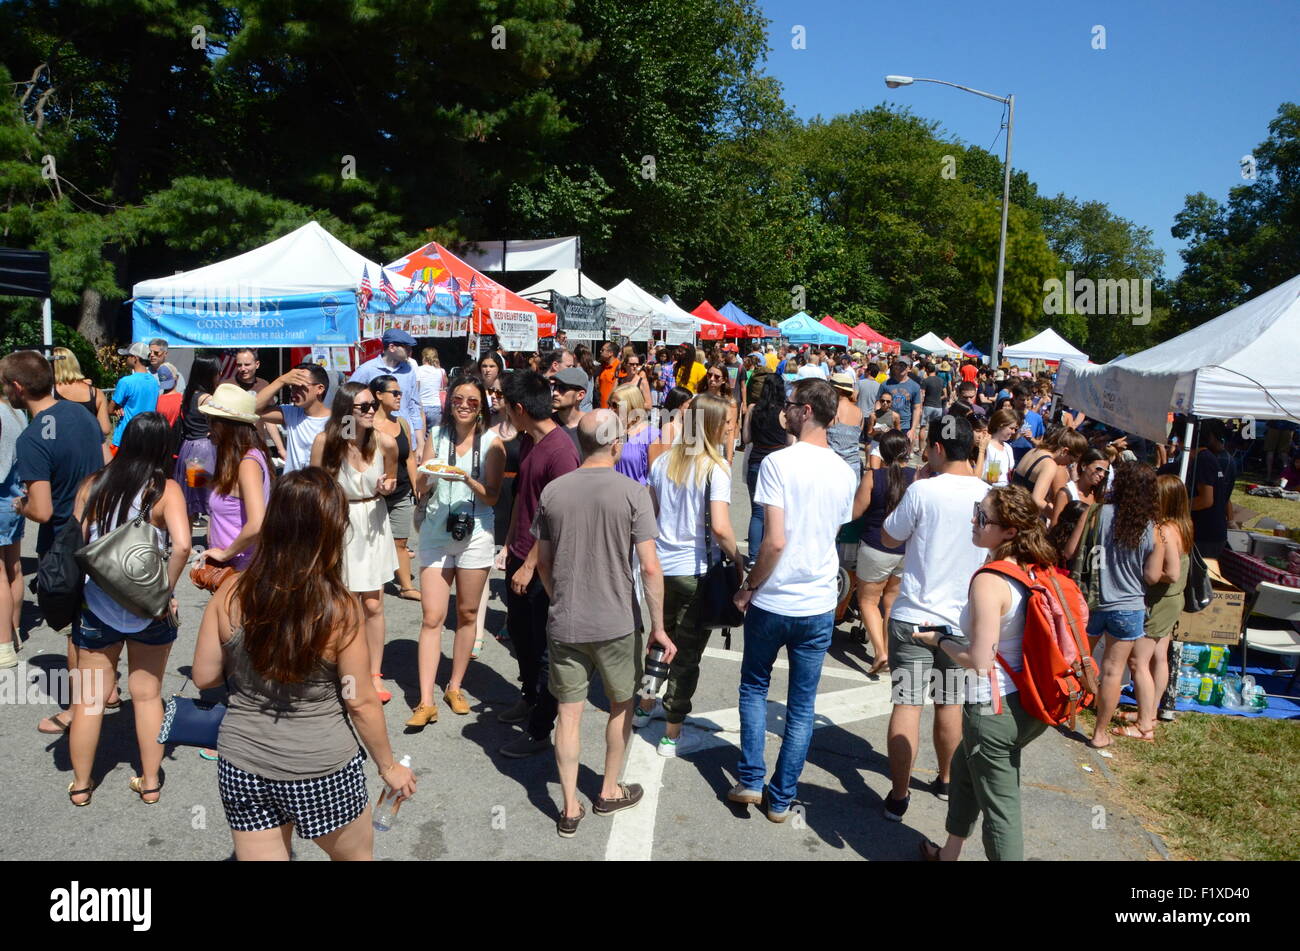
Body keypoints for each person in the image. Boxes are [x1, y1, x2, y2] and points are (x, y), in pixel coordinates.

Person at [192, 468, 416, 859]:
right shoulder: (339, 607)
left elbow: (204, 675)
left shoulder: (231, 590)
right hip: (322, 768)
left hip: (243, 764)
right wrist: (388, 766)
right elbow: (360, 701)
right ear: (331, 529)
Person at [533, 410, 672, 835]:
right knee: (620, 707)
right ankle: (609, 789)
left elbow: (543, 562)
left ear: (580, 442)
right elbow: (650, 568)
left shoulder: (554, 492)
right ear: (616, 446)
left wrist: (560, 599)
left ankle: (570, 805)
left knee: (568, 714)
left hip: (567, 621)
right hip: (616, 620)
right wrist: (659, 627)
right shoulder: (634, 493)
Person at [729, 379, 856, 820]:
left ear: (805, 412)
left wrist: (749, 586)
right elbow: (835, 529)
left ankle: (750, 778)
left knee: (754, 686)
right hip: (818, 600)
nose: (784, 410)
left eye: (790, 404)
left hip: (775, 598)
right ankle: (781, 798)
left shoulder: (778, 463)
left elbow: (774, 541)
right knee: (802, 706)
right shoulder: (844, 470)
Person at [916, 485, 1055, 861]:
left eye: (983, 517)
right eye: (977, 510)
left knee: (1001, 810)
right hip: (1029, 704)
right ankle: (949, 852)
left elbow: (979, 660)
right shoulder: (1031, 569)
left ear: (1009, 531)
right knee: (963, 769)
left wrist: (938, 641)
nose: (974, 521)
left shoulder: (990, 580)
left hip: (993, 710)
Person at [64, 412, 192, 806]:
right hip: (148, 609)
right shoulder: (165, 489)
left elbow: (76, 543)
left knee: (88, 698)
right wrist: (163, 591)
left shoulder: (93, 484)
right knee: (147, 694)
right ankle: (150, 782)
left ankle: (82, 786)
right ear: (161, 447)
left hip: (97, 605)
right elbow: (185, 545)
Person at [880, 414, 989, 819]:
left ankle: (899, 794)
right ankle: (945, 780)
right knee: (949, 704)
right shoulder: (988, 494)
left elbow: (890, 537)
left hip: (915, 618)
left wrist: (915, 485)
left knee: (907, 704)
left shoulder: (922, 490)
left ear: (938, 448)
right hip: (960, 622)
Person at [3, 351, 105, 732]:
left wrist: (21, 504)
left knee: (76, 628)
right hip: (99, 528)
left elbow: (42, 510)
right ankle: (106, 692)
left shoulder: (32, 438)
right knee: (98, 616)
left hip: (63, 540)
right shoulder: (80, 411)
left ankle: (78, 709)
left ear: (17, 387)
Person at [639, 393, 742, 754]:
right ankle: (672, 729)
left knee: (658, 638)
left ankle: (645, 702)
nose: (730, 428)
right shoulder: (716, 469)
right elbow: (722, 529)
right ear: (713, 427)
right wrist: (740, 560)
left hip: (658, 569)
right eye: (726, 423)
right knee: (686, 656)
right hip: (695, 572)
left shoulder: (663, 461)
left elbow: (648, 515)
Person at [407, 376, 504, 725]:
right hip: (435, 531)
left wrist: (464, 478)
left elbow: (492, 496)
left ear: (481, 409)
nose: (464, 405)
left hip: (476, 532)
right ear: (450, 403)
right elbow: (421, 484)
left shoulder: (493, 443)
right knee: (432, 616)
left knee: (465, 613)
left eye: (473, 401)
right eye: (458, 399)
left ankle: (456, 685)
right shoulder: (438, 436)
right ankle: (425, 700)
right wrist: (427, 475)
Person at [497, 370, 581, 757]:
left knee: (546, 648)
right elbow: (522, 500)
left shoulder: (562, 451)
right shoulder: (530, 440)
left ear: (519, 408)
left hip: (543, 565)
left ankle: (539, 729)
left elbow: (557, 517)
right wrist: (509, 545)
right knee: (522, 638)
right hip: (517, 555)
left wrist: (530, 562)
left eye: (505, 406)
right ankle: (528, 695)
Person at [1062, 462, 1164, 750]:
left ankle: (1060, 708)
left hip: (1090, 601)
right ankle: (1099, 733)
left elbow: (1070, 551)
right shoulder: (1152, 529)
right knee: (1112, 672)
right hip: (1129, 607)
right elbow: (1152, 576)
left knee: (1075, 659)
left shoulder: (1095, 514)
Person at [311, 382, 398, 703]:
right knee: (340, 604)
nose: (372, 410)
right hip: (341, 523)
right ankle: (338, 670)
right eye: (363, 407)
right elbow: (314, 488)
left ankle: (374, 675)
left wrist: (387, 486)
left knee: (373, 604)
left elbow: (392, 478)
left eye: (373, 405)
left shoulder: (386, 443)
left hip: (373, 520)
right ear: (346, 410)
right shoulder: (326, 442)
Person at [1113, 474, 1192, 740]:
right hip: (1172, 600)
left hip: (1160, 600)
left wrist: (1147, 573)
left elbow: (1171, 572)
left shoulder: (1165, 529)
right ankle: (1150, 711)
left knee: (1138, 661)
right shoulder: (1183, 525)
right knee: (1159, 657)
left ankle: (1145, 725)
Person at [851, 430, 914, 676]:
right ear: (907, 452)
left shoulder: (873, 477)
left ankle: (881, 652)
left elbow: (855, 511)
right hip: (905, 548)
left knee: (868, 600)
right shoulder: (917, 478)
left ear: (882, 453)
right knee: (891, 601)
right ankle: (890, 648)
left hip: (876, 546)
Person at [194, 384, 269, 572]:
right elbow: (233, 497)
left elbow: (256, 523)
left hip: (242, 568)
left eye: (212, 421)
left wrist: (225, 554)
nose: (208, 430)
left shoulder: (248, 463)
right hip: (230, 568)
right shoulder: (234, 459)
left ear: (227, 426)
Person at [368, 374, 420, 600]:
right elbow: (344, 452)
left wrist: (417, 488)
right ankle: (366, 583)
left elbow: (409, 458)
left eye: (401, 393)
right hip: (370, 494)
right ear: (378, 395)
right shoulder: (356, 420)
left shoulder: (402, 423)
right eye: (395, 393)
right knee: (369, 541)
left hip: (400, 492)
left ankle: (406, 587)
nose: (400, 397)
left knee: (400, 540)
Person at [740, 374, 789, 566]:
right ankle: (769, 554)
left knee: (757, 512)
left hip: (756, 462)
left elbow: (745, 438)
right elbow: (790, 442)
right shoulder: (784, 413)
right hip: (777, 465)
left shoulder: (753, 409)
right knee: (776, 510)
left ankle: (753, 557)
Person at [351, 329, 425, 456]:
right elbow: (347, 403)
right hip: (375, 440)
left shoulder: (409, 371)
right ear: (392, 347)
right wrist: (348, 438)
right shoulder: (366, 370)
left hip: (405, 438)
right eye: (406, 348)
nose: (410, 351)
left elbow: (414, 407)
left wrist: (420, 443)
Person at [255, 363, 331, 473]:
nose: (294, 392)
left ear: (319, 389)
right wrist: (281, 381)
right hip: (291, 487)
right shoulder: (291, 412)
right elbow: (253, 408)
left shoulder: (340, 420)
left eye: (301, 386)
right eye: (292, 386)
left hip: (320, 487)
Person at [174, 355, 221, 523]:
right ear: (209, 374)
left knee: (190, 500)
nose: (219, 375)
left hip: (188, 447)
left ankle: (188, 544)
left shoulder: (189, 394)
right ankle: (214, 540)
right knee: (210, 499)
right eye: (217, 372)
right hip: (204, 450)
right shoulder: (207, 399)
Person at [0, 391, 27, 668]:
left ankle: (3, 644)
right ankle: (14, 630)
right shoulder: (17, 411)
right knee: (14, 567)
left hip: (0, 495)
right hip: (16, 496)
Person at [223, 348, 286, 463]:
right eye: (239, 365)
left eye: (247, 364)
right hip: (232, 447)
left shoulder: (264, 385)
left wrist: (281, 449)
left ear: (257, 364)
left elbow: (269, 420)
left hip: (258, 446)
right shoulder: (226, 385)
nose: (243, 369)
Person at [1010, 427, 1088, 515]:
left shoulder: (1033, 451)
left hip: (1009, 505)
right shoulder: (1050, 464)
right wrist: (1056, 517)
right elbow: (1037, 499)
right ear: (1065, 451)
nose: (1066, 465)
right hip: (1019, 514)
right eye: (1070, 461)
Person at [1189, 419, 1236, 559]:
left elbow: (1208, 499)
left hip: (1207, 530)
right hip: (1214, 528)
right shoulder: (1225, 458)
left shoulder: (1211, 459)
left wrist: (1179, 506)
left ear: (1211, 436)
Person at [108, 343, 160, 453]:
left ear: (135, 358)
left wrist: (117, 409)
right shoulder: (154, 382)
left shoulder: (126, 382)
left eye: (128, 356)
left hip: (126, 436)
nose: (126, 359)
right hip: (146, 436)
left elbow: (110, 409)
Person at [51, 347, 111, 439]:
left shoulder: (50, 391)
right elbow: (105, 429)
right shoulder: (96, 393)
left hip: (60, 447)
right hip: (88, 447)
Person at [609, 383, 658, 485]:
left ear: (631, 406)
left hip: (636, 497)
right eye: (609, 404)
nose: (610, 409)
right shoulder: (608, 431)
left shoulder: (650, 435)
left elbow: (654, 479)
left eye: (614, 405)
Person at [1049, 447, 1110, 525]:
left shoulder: (1098, 496)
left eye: (1106, 472)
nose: (1102, 475)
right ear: (1084, 466)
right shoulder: (1066, 493)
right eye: (1098, 469)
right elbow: (1054, 526)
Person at [828, 372, 864, 477]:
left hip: (833, 467)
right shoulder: (859, 412)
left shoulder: (832, 409)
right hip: (853, 467)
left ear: (838, 390)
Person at [881, 360, 922, 450]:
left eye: (904, 365)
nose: (901, 368)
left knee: (901, 457)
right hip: (887, 425)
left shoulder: (915, 386)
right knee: (887, 455)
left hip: (905, 427)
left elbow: (917, 408)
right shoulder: (885, 384)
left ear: (908, 368)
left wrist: (913, 429)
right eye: (899, 365)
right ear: (895, 367)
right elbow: (878, 403)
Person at [550, 366, 587, 455]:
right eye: (555, 387)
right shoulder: (546, 424)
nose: (555, 393)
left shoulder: (593, 426)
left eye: (563, 388)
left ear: (580, 395)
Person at [978, 408, 1019, 487]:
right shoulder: (986, 445)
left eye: (1015, 429)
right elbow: (976, 474)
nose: (1014, 432)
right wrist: (989, 477)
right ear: (1001, 425)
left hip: (1005, 492)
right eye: (1011, 428)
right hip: (987, 491)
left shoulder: (1008, 448)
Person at [1007, 385, 1045, 465]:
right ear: (1014, 399)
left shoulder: (1037, 418)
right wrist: (1016, 435)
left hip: (1028, 461)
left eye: (1027, 400)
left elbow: (1041, 444)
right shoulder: (1007, 416)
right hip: (1009, 459)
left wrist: (1032, 439)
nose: (1025, 403)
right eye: (1022, 400)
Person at [416, 347, 447, 434]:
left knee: (420, 437)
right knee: (433, 437)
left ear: (424, 357)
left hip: (421, 406)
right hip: (435, 406)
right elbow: (444, 385)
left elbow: (416, 388)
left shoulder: (418, 369)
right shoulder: (441, 371)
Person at [918, 362, 946, 428]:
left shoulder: (925, 381)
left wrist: (920, 407)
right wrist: (938, 398)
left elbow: (922, 395)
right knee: (935, 428)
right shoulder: (941, 380)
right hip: (938, 407)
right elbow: (945, 395)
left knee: (923, 427)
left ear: (927, 370)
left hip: (927, 406)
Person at [594, 341, 620, 409]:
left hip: (613, 411)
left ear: (610, 353)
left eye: (602, 350)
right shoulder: (602, 367)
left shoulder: (620, 367)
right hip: (601, 409)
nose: (600, 351)